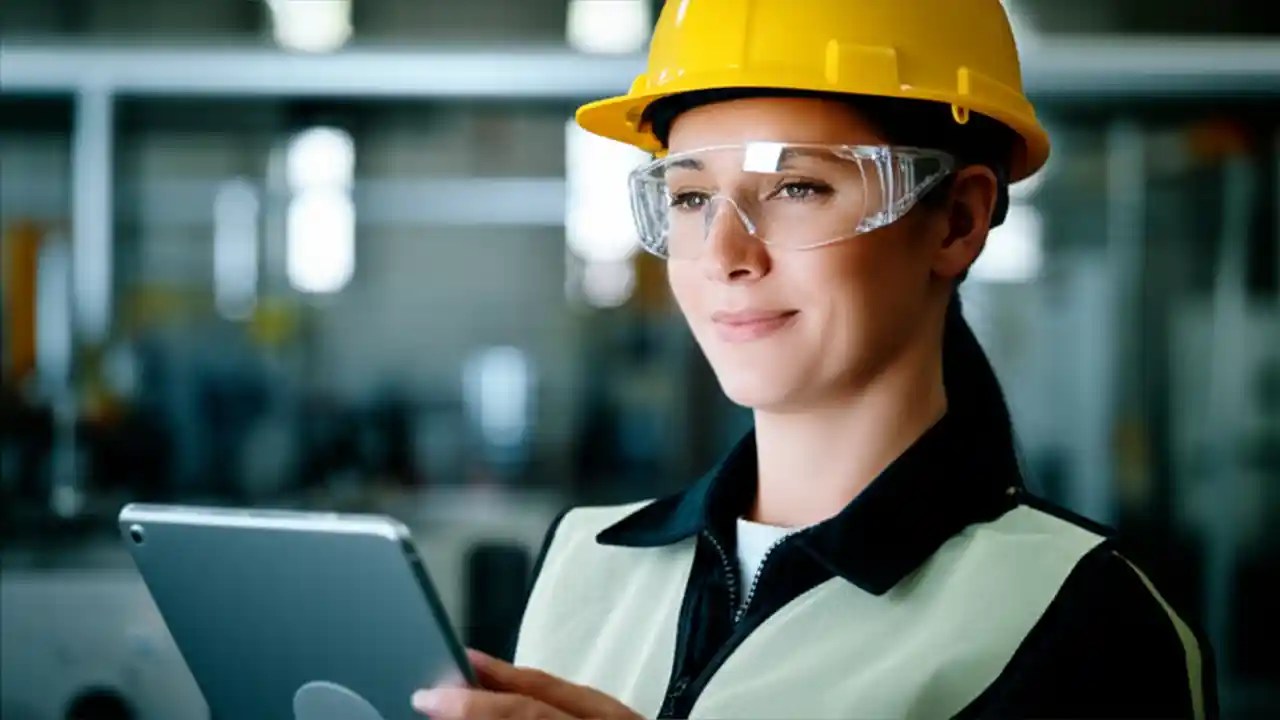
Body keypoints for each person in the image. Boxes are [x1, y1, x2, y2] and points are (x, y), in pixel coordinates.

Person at [413, 1, 1217, 717]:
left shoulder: (1081, 618)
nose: (724, 255)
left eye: (796, 188)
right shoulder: (587, 564)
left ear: (957, 222)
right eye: (690, 198)